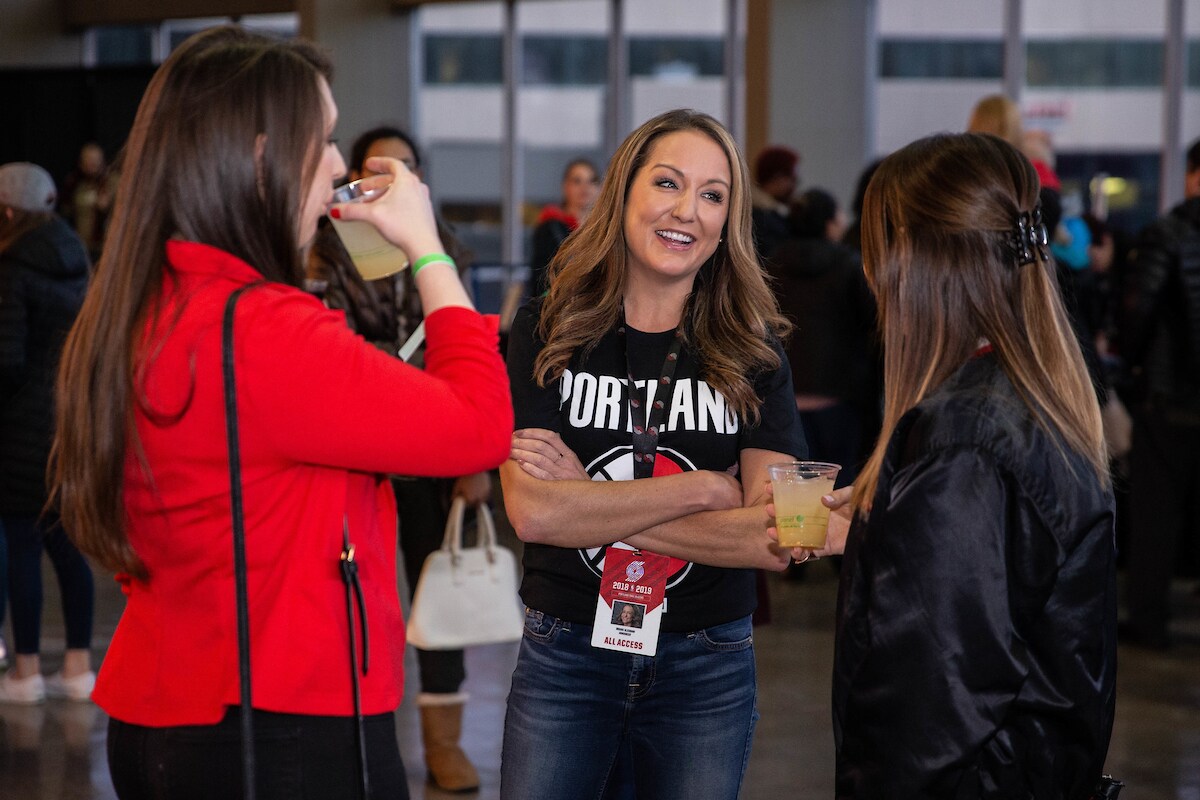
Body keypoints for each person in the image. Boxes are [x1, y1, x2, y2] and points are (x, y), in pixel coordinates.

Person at [50, 25, 512, 800]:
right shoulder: (263, 329)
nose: (337, 164)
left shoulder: (156, 301)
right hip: (281, 722)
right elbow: (477, 425)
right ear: (262, 156)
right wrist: (429, 250)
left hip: (175, 708)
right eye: (323, 139)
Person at [792, 132, 1116, 797]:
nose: (869, 273)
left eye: (877, 252)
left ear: (916, 262)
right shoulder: (1025, 402)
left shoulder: (962, 443)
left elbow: (928, 715)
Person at [500, 108, 807, 800]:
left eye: (712, 194)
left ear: (729, 220)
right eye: (668, 183)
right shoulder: (548, 327)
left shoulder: (752, 351)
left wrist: (588, 499)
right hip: (567, 650)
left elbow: (779, 536)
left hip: (707, 663)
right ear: (624, 193)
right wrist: (702, 490)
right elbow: (533, 512)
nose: (687, 211)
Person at [306, 124, 490, 792]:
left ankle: (446, 743)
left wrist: (477, 462)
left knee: (443, 598)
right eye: (373, 170)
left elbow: (467, 342)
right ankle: (366, 735)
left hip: (438, 450)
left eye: (405, 169)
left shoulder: (444, 249)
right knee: (364, 602)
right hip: (358, 456)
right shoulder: (323, 251)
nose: (389, 181)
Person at [0, 161, 95, 705]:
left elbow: (6, 361)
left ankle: (27, 671)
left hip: (18, 429)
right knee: (66, 544)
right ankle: (79, 667)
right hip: (66, 421)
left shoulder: (12, 267)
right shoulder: (74, 258)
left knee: (19, 545)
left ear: (10, 212)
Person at [1121, 136, 1200, 649]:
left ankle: (1150, 621)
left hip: (1171, 398)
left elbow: (1139, 310)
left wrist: (1131, 363)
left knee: (1155, 514)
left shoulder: (1168, 233)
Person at [767, 187, 877, 489]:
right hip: (838, 397)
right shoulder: (850, 265)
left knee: (792, 499)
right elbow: (873, 324)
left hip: (783, 399)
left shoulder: (769, 265)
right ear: (830, 222)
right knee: (841, 494)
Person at [528, 158, 599, 297]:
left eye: (592, 181)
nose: (585, 187)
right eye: (577, 181)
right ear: (565, 187)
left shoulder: (602, 228)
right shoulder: (550, 227)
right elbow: (540, 280)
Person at [59, 142, 118, 261]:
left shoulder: (113, 182)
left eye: (96, 160)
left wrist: (108, 208)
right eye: (89, 160)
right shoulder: (74, 183)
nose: (93, 164)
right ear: (81, 163)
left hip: (108, 247)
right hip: (82, 246)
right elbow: (66, 212)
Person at [749, 144, 799, 261]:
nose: (795, 186)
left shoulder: (769, 213)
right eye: (793, 179)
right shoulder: (763, 220)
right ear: (777, 178)